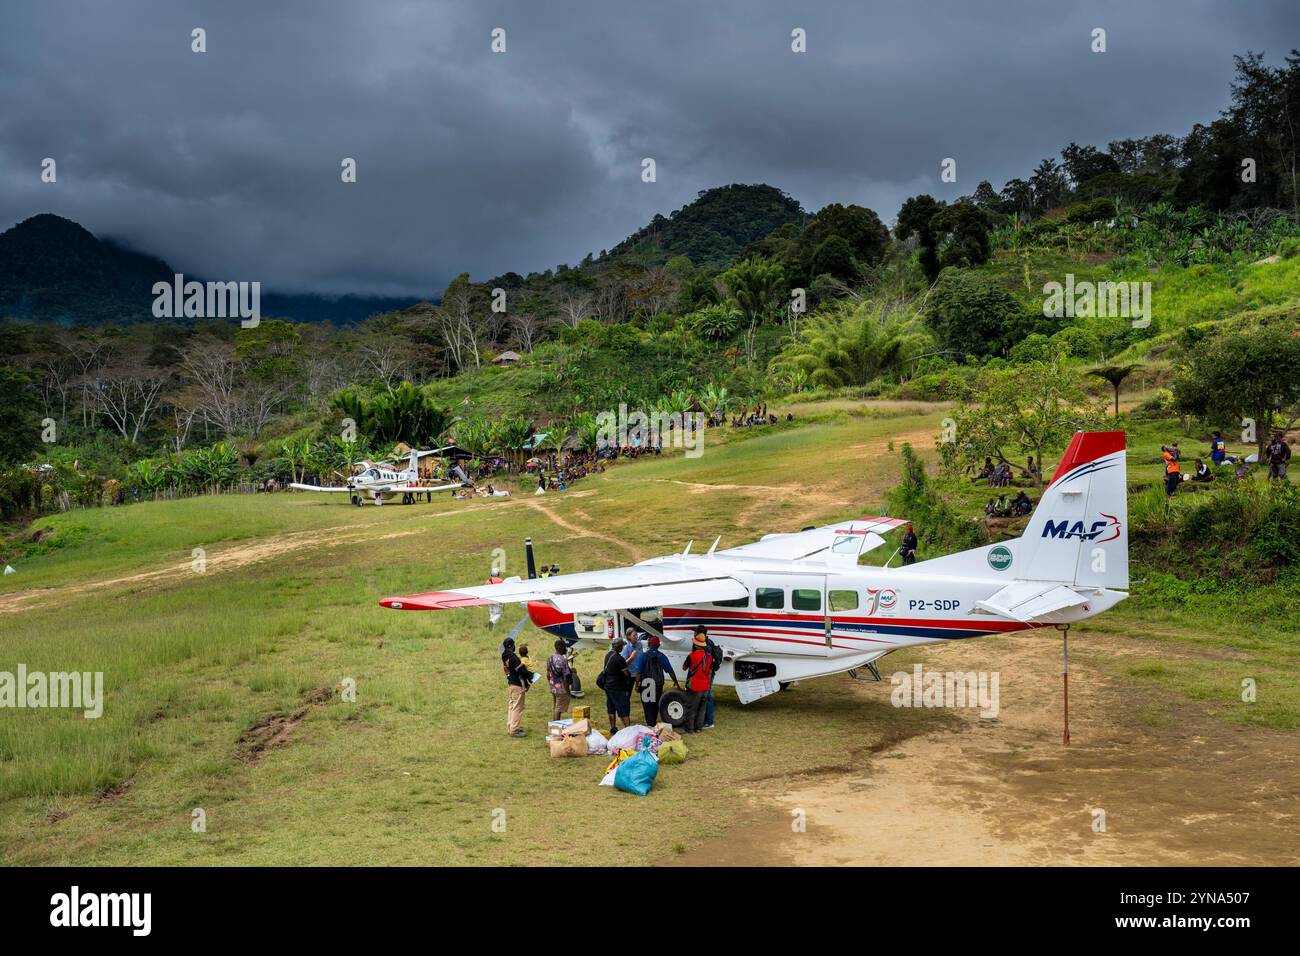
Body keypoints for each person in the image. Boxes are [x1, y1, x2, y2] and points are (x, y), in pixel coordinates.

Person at [631, 635, 680, 726]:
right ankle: (653, 722)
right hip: (658, 684)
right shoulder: (662, 657)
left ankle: (650, 724)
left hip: (646, 684)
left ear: (649, 644)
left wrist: (637, 685)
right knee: (655, 704)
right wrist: (676, 683)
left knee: (647, 706)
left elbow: (638, 673)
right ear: (658, 645)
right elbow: (670, 671)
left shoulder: (643, 656)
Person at [682, 629, 714, 733]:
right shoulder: (709, 656)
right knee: (702, 709)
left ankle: (689, 728)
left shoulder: (692, 656)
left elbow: (684, 667)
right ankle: (698, 728)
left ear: (696, 645)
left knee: (692, 707)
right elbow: (709, 671)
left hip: (695, 686)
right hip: (705, 686)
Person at [601, 638, 634, 735]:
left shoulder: (608, 655)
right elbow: (626, 673)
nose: (623, 648)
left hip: (608, 686)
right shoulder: (619, 659)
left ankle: (613, 728)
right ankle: (628, 730)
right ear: (619, 647)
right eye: (622, 646)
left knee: (611, 708)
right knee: (624, 709)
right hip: (618, 688)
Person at [501, 637, 530, 738]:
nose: (514, 646)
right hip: (517, 685)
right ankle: (514, 730)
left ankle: (511, 726)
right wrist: (530, 676)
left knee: (512, 706)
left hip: (511, 684)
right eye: (513, 644)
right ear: (511, 646)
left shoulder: (504, 656)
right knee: (518, 707)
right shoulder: (513, 657)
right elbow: (522, 670)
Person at [545, 639, 572, 721]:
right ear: (561, 648)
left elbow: (548, 674)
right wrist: (567, 690)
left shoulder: (550, 658)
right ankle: (556, 727)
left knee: (555, 706)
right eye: (565, 647)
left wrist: (551, 684)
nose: (566, 649)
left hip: (553, 686)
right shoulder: (563, 660)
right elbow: (566, 677)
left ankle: (554, 726)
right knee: (559, 709)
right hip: (561, 688)